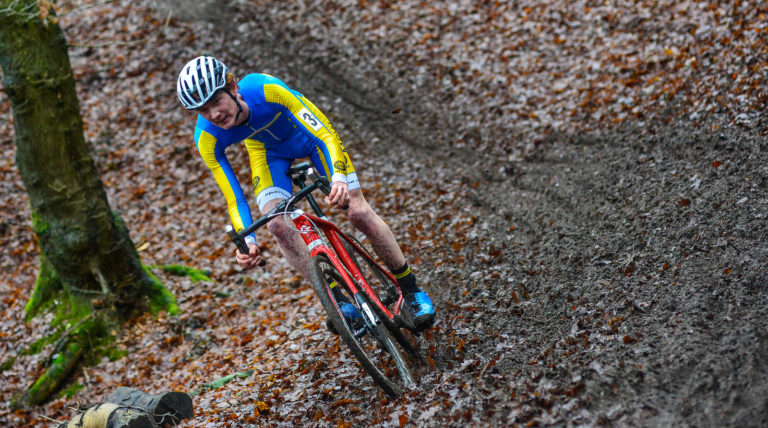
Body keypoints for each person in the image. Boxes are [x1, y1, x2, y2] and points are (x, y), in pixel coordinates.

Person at [176, 56, 435, 331]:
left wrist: (338, 177)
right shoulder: (207, 137)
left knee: (357, 211)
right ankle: (337, 300)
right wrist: (247, 241)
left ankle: (411, 289)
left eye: (217, 101)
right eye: (203, 110)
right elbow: (235, 196)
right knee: (277, 224)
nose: (214, 114)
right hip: (268, 155)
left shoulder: (265, 89)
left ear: (233, 87)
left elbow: (324, 135)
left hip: (313, 139)